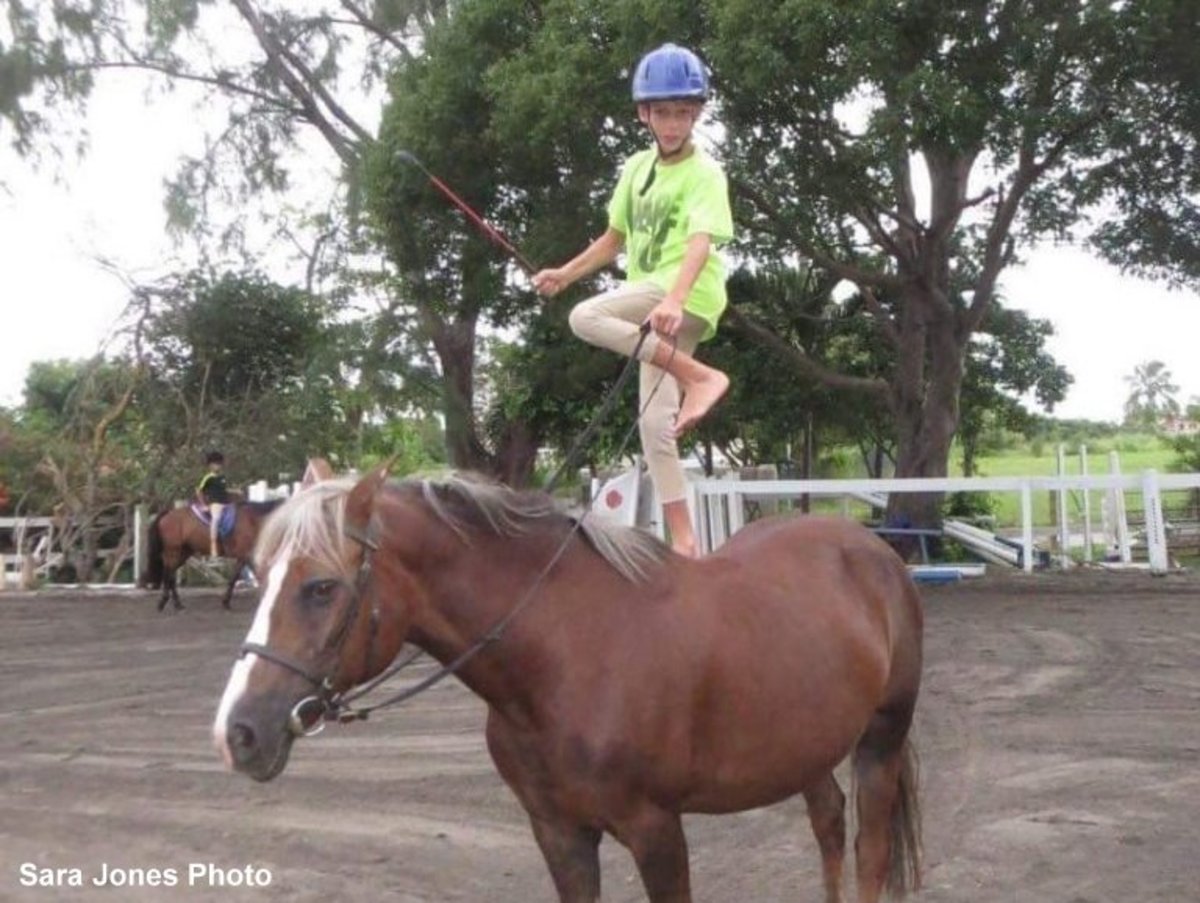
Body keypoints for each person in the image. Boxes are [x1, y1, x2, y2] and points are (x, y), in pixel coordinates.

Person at [532, 42, 734, 558]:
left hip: (682, 291)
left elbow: (700, 241)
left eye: (683, 112)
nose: (673, 123)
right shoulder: (636, 169)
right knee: (653, 427)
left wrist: (674, 299)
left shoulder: (705, 173)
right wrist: (565, 274)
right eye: (663, 112)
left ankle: (700, 376)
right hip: (650, 296)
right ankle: (686, 544)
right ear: (644, 113)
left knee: (587, 317)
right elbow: (613, 239)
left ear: (697, 113)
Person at [197, 451, 233, 559]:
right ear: (210, 466)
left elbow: (225, 490)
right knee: (216, 519)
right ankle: (213, 548)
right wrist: (203, 504)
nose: (217, 466)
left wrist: (236, 491)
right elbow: (199, 491)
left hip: (226, 503)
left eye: (219, 464)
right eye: (215, 464)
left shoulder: (222, 478)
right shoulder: (208, 478)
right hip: (215, 504)